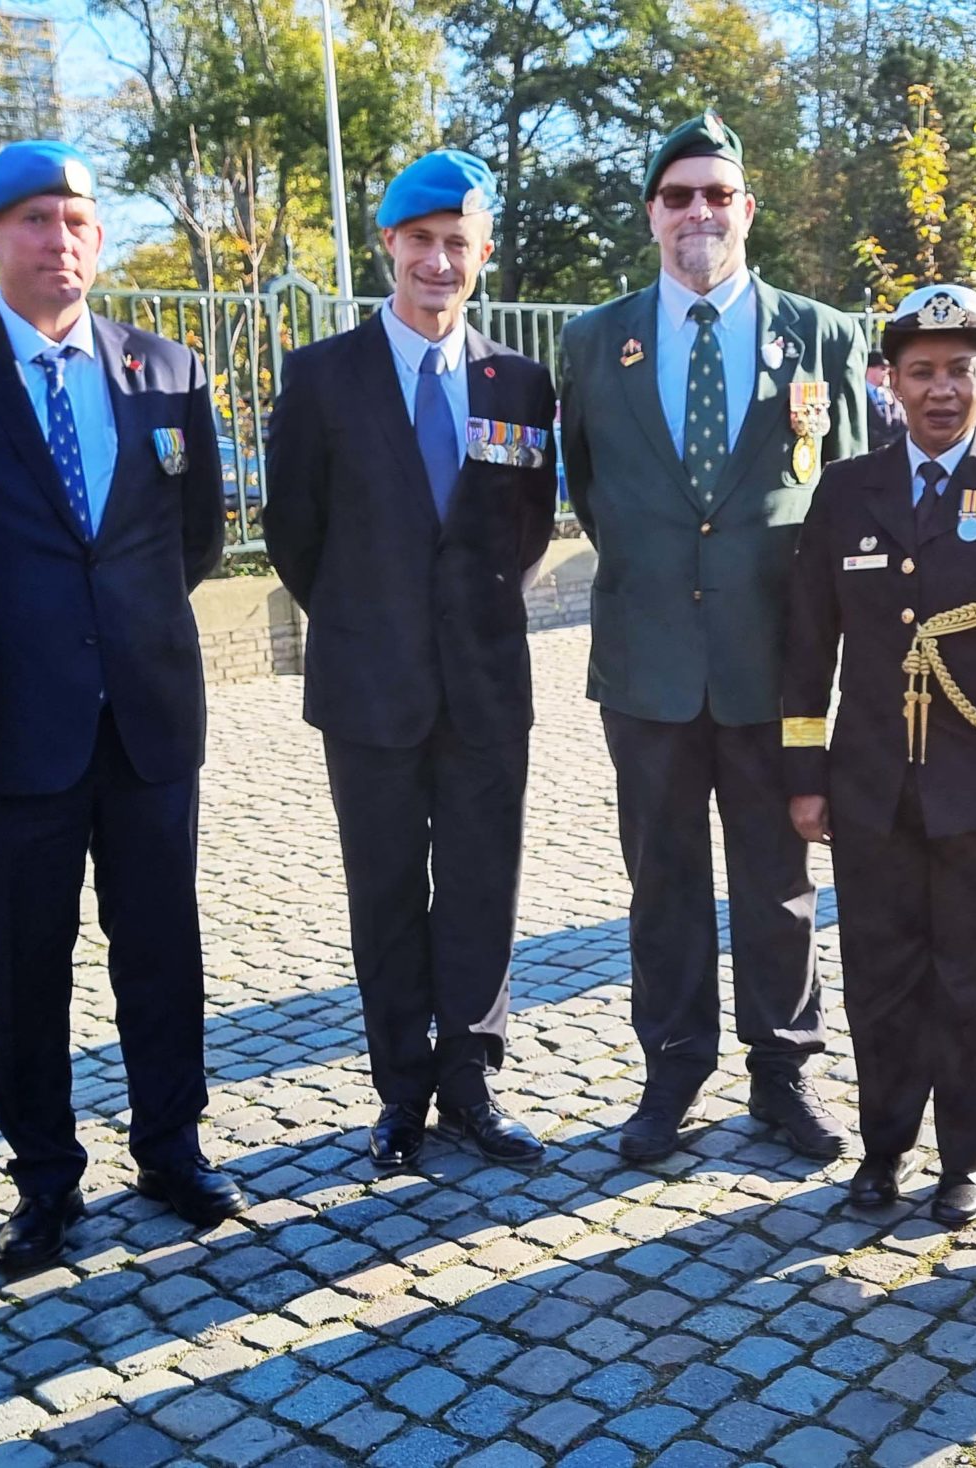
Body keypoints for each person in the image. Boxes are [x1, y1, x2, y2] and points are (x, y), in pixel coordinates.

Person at [0, 141, 243, 1272]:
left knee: (162, 948)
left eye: (76, 218)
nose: (59, 239)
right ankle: (44, 1180)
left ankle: (171, 1147)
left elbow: (195, 538)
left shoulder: (166, 367)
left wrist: (116, 637)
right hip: (5, 725)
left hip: (145, 718)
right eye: (33, 220)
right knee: (24, 966)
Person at [558, 112, 870, 1163]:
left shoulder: (820, 335)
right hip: (646, 663)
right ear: (651, 213)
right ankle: (671, 1071)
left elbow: (845, 509)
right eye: (679, 194)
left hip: (771, 665)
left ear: (748, 209)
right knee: (663, 882)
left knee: (779, 883)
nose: (699, 211)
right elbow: (592, 490)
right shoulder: (594, 339)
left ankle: (781, 1073)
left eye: (717, 194)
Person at [264, 151, 556, 1171]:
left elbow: (526, 527)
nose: (440, 262)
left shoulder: (518, 381)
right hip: (367, 683)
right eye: (421, 242)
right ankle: (400, 1090)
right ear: (388, 244)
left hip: (484, 681)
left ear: (483, 254)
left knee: (482, 884)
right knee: (384, 890)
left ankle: (471, 1077)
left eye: (458, 245)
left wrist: (459, 616)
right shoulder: (321, 376)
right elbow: (293, 531)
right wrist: (370, 615)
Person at [781, 284, 976, 1225]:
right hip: (871, 788)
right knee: (879, 974)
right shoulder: (846, 490)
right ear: (890, 381)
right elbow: (805, 645)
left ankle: (967, 1158)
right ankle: (881, 1151)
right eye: (922, 371)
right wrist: (803, 774)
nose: (941, 389)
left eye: (960, 369)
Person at [864, 358, 907, 452]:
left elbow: (902, 423)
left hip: (893, 453)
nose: (886, 373)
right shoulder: (859, 395)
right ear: (869, 369)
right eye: (883, 368)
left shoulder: (890, 394)